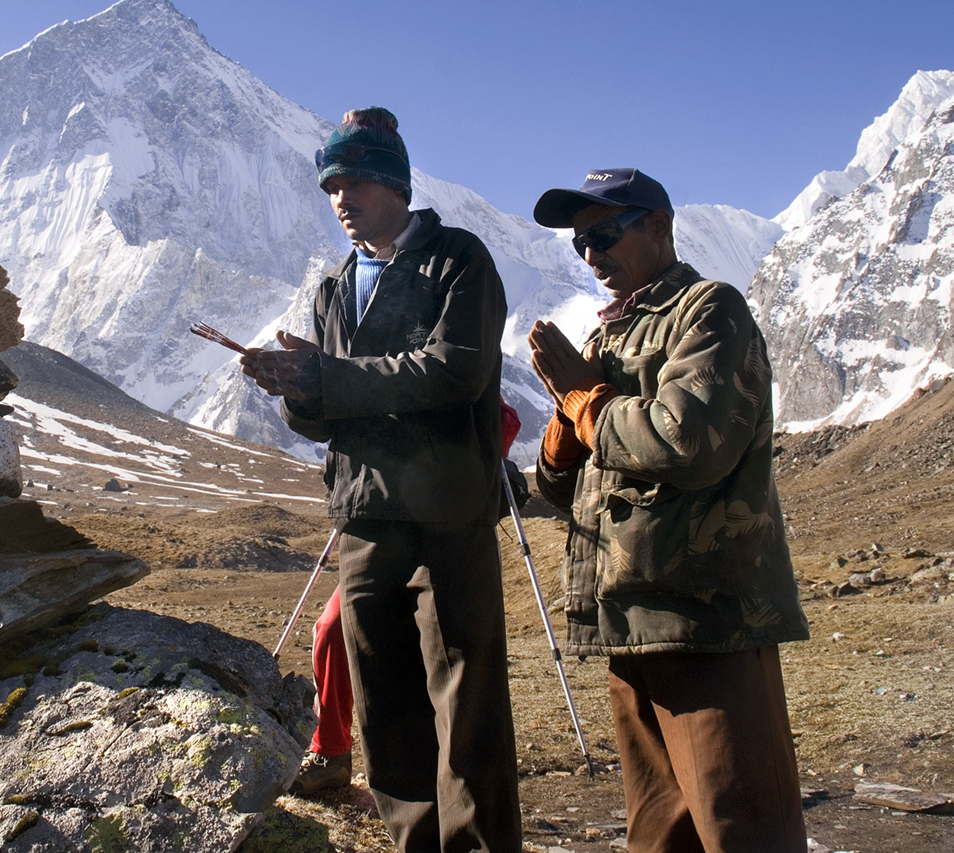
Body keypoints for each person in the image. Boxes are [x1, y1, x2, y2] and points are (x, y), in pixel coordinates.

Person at [241, 107, 520, 852]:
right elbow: (327, 418)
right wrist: (296, 387)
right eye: (332, 187)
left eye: (357, 182)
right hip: (365, 517)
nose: (342, 198)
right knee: (384, 703)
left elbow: (456, 371)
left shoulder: (457, 259)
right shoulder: (334, 286)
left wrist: (327, 376)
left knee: (465, 698)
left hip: (447, 513)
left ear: (397, 186)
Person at [529, 168, 811, 853]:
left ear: (659, 225)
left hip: (708, 621)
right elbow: (572, 491)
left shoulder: (709, 311)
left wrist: (588, 404)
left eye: (604, 233)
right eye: (580, 244)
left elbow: (688, 443)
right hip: (628, 620)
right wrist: (564, 433)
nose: (591, 254)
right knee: (660, 833)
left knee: (740, 825)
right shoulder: (606, 338)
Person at [290, 401, 525, 798]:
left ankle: (453, 779)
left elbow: (504, 421)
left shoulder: (461, 375)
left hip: (448, 538)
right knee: (332, 631)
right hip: (380, 529)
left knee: (445, 661)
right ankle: (331, 752)